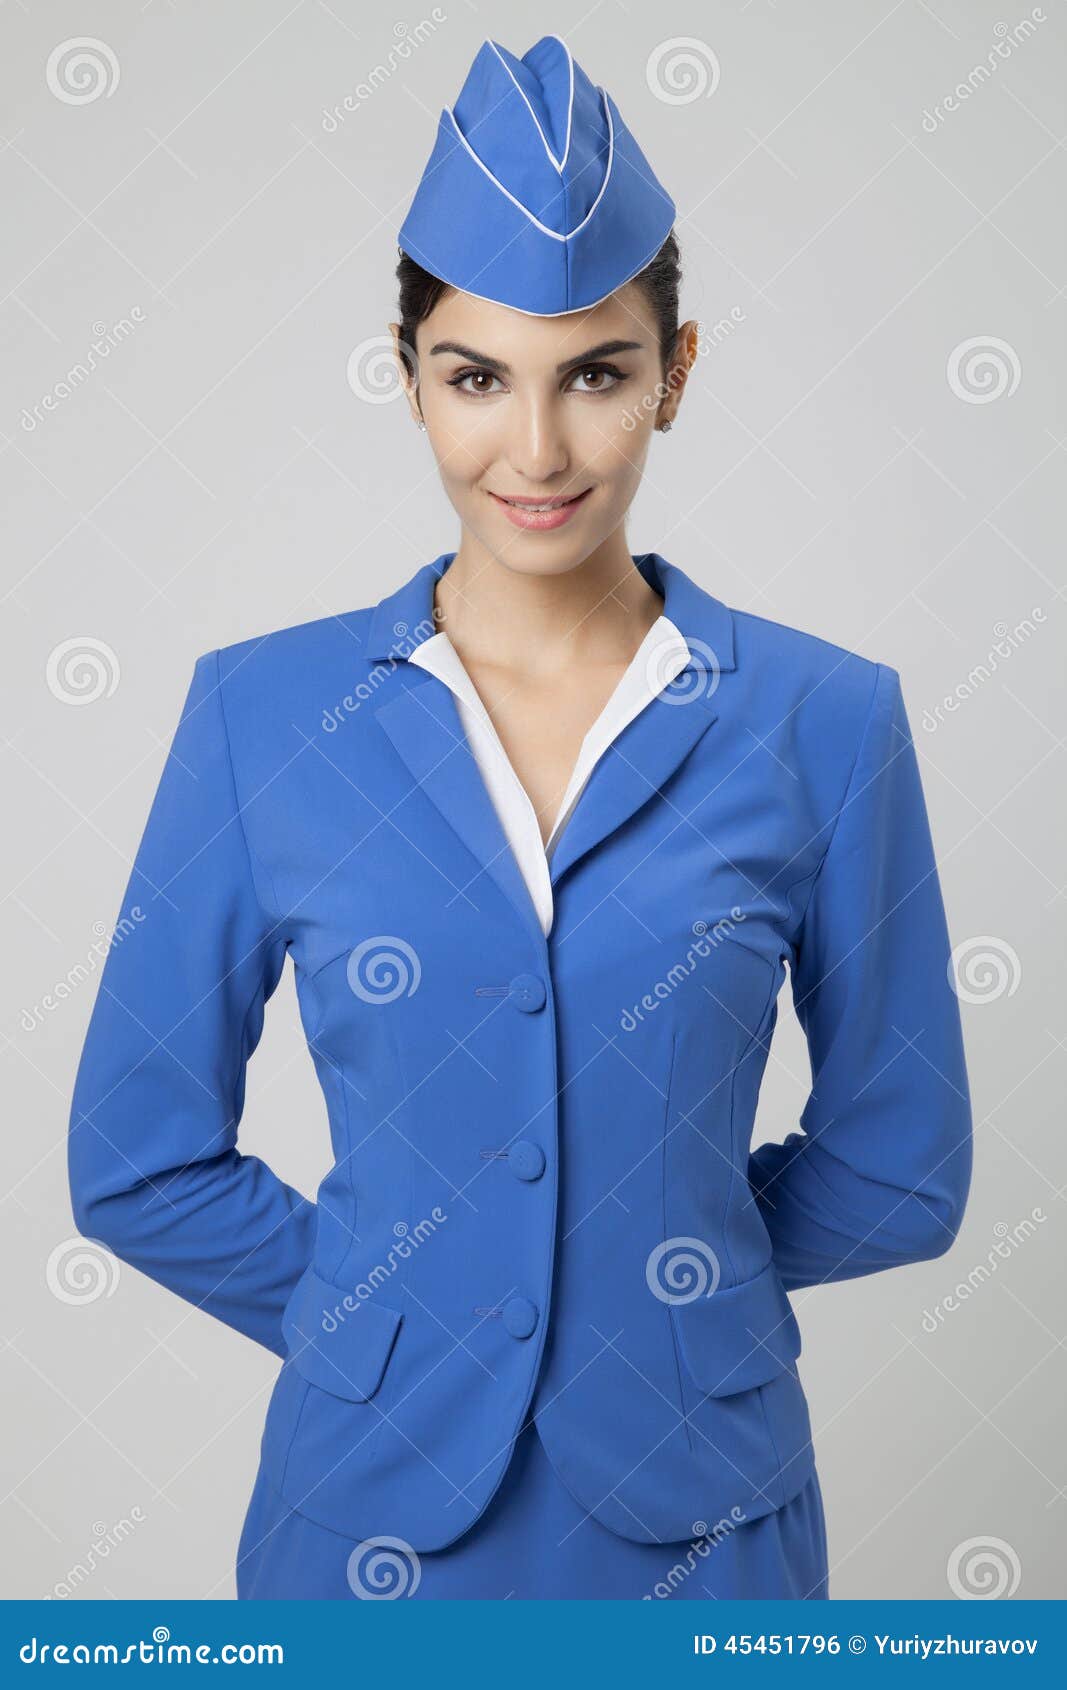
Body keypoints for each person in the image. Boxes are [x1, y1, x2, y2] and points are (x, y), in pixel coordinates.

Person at [67, 34, 973, 1601]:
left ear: (677, 375)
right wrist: (404, 1301)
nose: (537, 451)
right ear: (409, 375)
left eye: (598, 375)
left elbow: (904, 1162)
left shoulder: (829, 722)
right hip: (365, 1530)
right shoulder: (260, 718)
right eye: (476, 377)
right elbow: (136, 1158)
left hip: (709, 1535)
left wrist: (669, 1280)